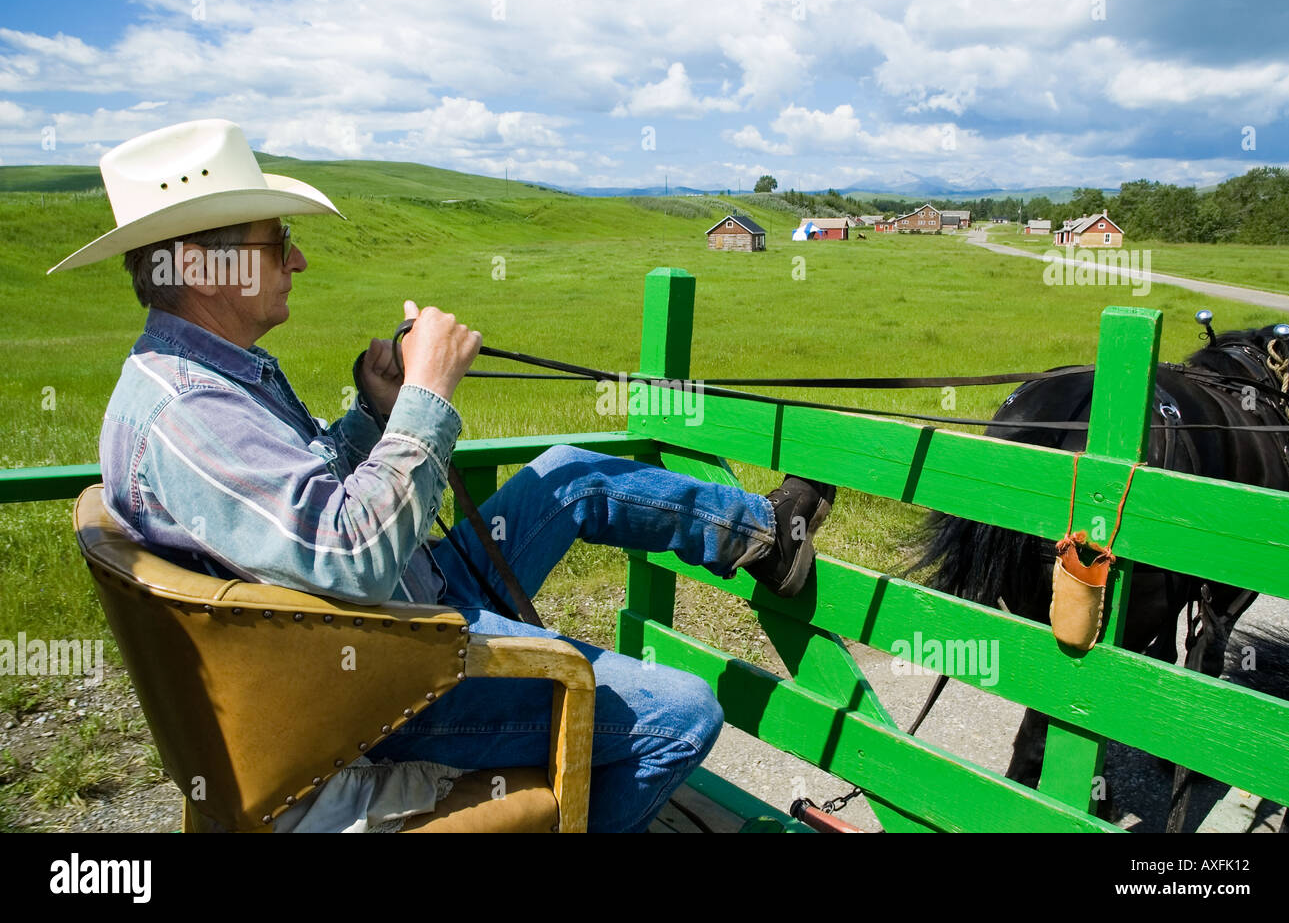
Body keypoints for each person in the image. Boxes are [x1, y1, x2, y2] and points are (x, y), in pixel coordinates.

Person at [50, 119, 836, 832]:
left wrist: (376, 411)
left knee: (568, 476)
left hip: (388, 617)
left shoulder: (209, 376)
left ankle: (763, 538)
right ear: (201, 264)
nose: (298, 257)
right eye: (275, 239)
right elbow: (351, 555)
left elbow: (301, 510)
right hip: (385, 677)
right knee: (685, 712)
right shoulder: (189, 413)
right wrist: (425, 399)